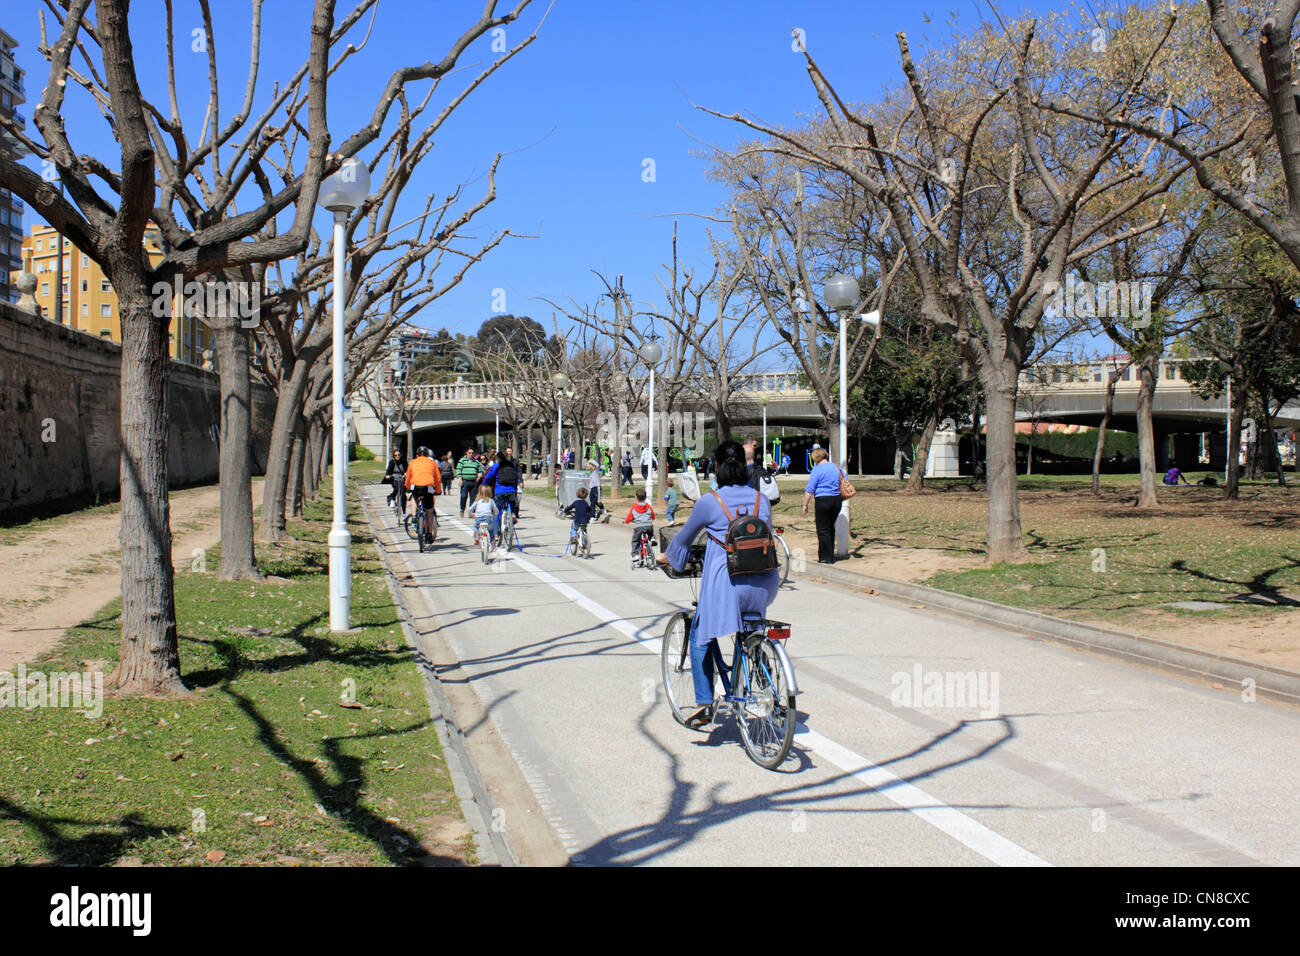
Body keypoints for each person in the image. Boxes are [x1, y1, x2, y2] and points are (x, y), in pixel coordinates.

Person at [659, 439, 780, 727]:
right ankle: (765, 682)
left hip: (728, 585)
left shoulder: (710, 502)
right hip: (764, 583)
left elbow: (684, 539)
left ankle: (704, 703)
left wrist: (669, 558)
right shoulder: (760, 500)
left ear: (717, 467)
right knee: (751, 628)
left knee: (701, 633)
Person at [802, 447, 842, 564]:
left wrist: (805, 504)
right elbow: (844, 479)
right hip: (836, 499)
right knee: (830, 527)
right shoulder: (835, 467)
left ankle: (825, 557)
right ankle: (830, 555)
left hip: (823, 500)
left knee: (823, 529)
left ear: (815, 457)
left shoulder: (817, 469)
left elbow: (810, 489)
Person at [405, 446, 442, 541]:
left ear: (417, 455)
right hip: (428, 487)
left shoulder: (413, 462)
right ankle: (429, 533)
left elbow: (408, 476)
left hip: (416, 486)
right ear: (427, 455)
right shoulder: (432, 462)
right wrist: (438, 490)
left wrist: (408, 487)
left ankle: (413, 516)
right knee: (429, 511)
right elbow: (437, 478)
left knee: (413, 498)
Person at [487, 450, 521, 545]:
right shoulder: (511, 465)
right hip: (511, 490)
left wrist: (483, 484)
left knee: (496, 512)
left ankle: (496, 534)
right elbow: (516, 477)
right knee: (513, 502)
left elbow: (489, 476)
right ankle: (513, 513)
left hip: (499, 491)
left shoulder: (496, 466)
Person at [623, 488, 656, 563]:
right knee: (650, 532)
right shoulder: (648, 506)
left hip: (639, 527)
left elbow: (629, 517)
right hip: (649, 525)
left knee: (635, 540)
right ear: (645, 497)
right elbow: (652, 514)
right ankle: (652, 538)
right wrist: (652, 518)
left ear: (636, 497)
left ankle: (635, 555)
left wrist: (626, 522)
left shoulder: (634, 507)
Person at [456, 447, 483, 516]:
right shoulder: (462, 460)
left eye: (472, 453)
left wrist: (478, 477)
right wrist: (460, 479)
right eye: (469, 453)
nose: (471, 454)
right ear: (466, 453)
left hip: (474, 482)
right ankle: (462, 509)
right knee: (463, 496)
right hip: (465, 481)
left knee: (473, 498)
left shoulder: (476, 462)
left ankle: (471, 512)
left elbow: (480, 471)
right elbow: (458, 470)